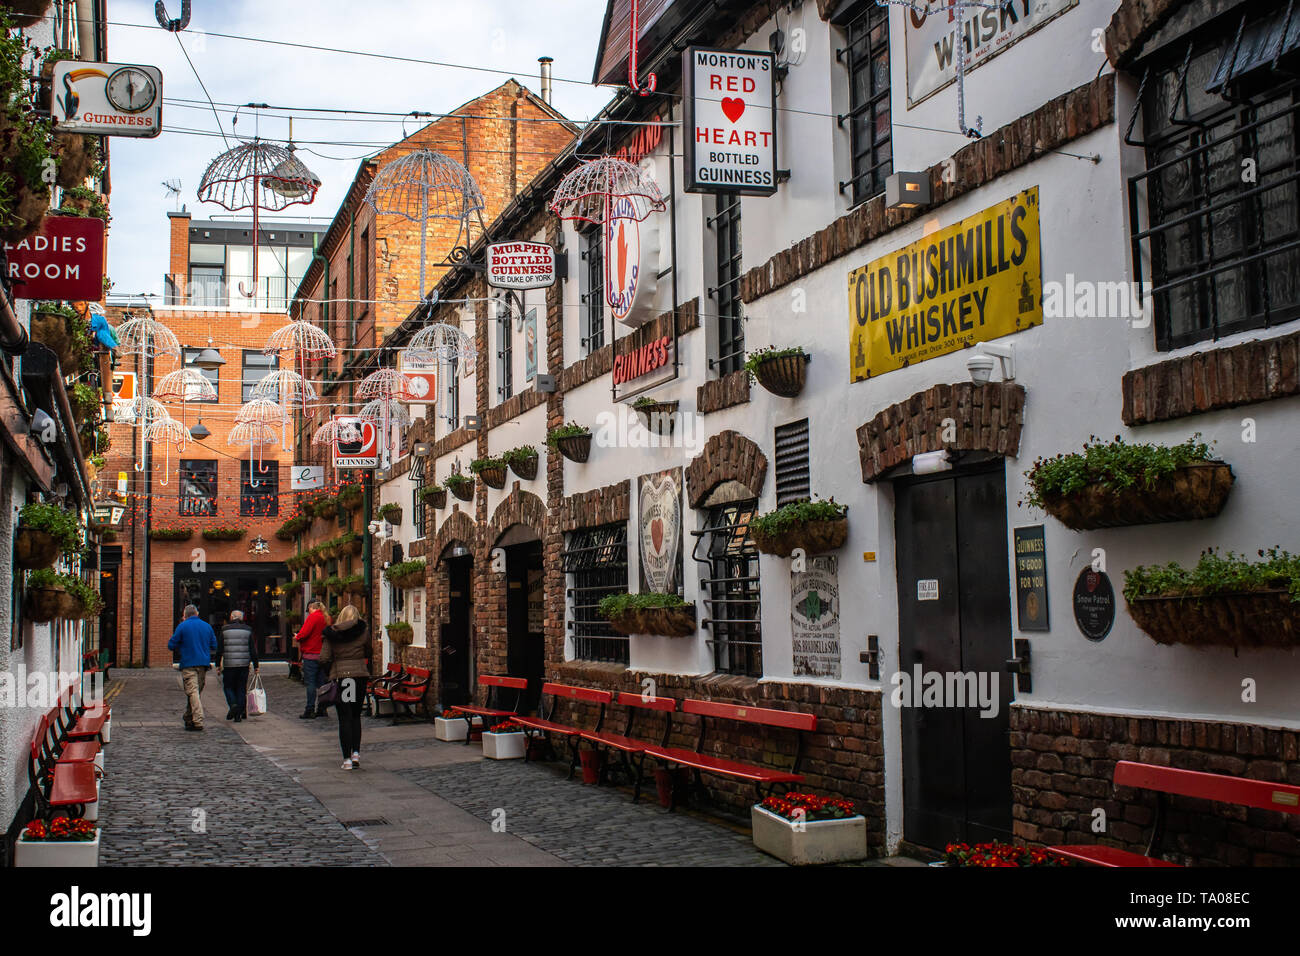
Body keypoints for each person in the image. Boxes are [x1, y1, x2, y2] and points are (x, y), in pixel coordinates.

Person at [319, 604, 370, 771]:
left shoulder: (332, 634)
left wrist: (330, 672)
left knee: (344, 718)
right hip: (359, 676)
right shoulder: (363, 631)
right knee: (356, 716)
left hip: (342, 677)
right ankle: (356, 753)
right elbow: (369, 651)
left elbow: (324, 658)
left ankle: (347, 759)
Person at [167, 604, 218, 732]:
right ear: (197, 614)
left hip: (188, 664)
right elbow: (214, 645)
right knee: (195, 692)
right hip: (203, 664)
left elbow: (171, 645)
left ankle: (198, 719)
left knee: (192, 692)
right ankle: (189, 717)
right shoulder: (207, 626)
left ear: (185, 615)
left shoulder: (182, 626)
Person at [216, 610, 259, 722]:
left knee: (228, 687)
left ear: (231, 617)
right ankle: (239, 714)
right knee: (241, 688)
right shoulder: (248, 630)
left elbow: (220, 649)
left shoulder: (224, 630)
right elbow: (252, 649)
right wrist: (256, 665)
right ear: (242, 618)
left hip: (229, 664)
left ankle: (233, 704)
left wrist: (217, 664)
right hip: (244, 664)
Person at [294, 600, 331, 719]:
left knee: (311, 683)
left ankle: (309, 709)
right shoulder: (327, 618)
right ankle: (322, 708)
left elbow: (303, 634)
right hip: (323, 655)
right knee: (322, 683)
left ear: (311, 608)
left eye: (308, 609)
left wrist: (297, 636)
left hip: (311, 654)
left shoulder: (313, 617)